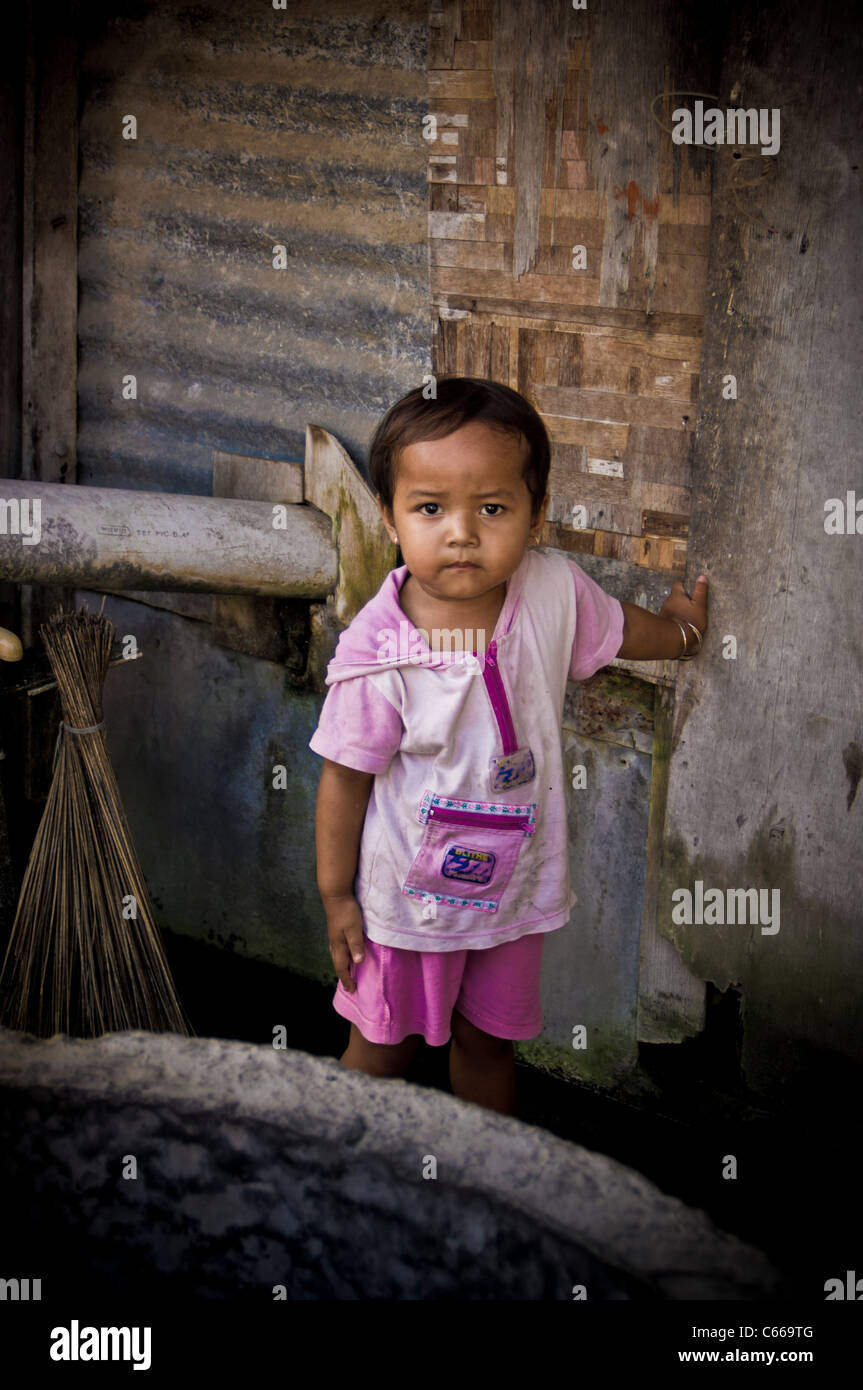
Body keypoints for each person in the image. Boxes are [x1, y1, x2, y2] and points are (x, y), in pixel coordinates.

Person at [309, 377, 708, 1116]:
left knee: (488, 1042)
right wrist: (337, 897)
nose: (460, 532)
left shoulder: (554, 590)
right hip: (405, 907)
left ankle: (486, 1170)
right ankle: (326, 1169)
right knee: (382, 1045)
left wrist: (680, 632)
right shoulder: (379, 656)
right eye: (429, 508)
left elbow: (621, 629)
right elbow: (343, 781)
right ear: (389, 517)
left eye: (491, 508)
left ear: (535, 514)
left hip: (515, 893)